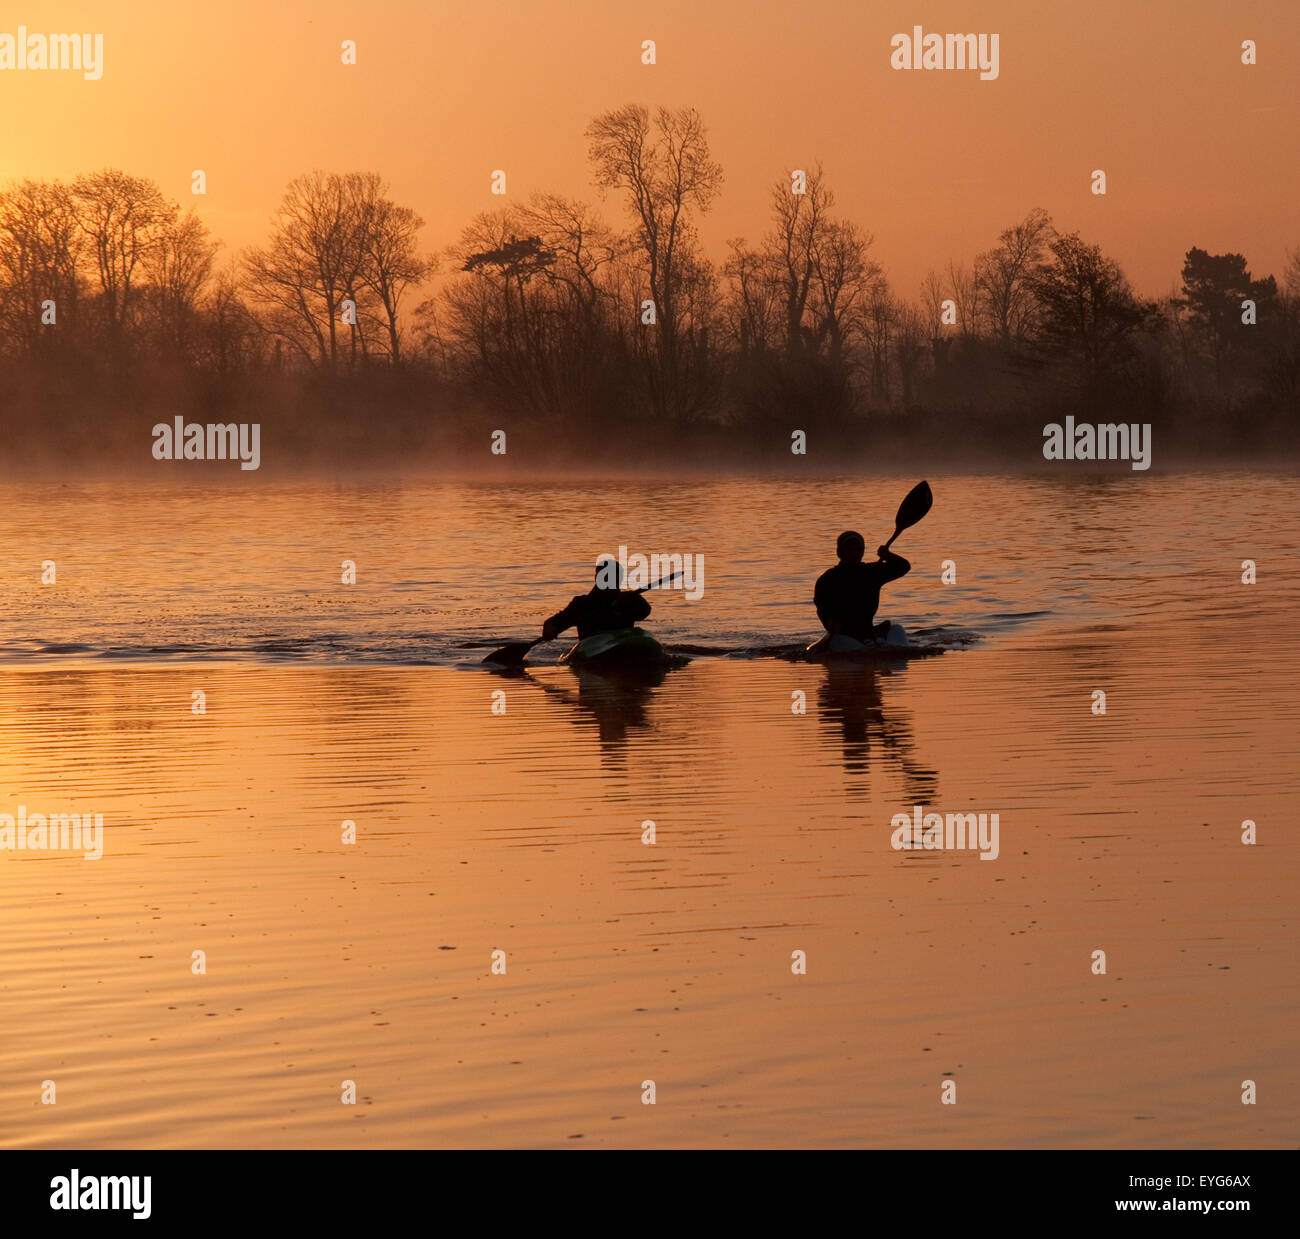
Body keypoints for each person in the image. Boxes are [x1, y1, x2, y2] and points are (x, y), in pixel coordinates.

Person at [814, 530, 910, 641]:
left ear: (863, 552)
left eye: (858, 550)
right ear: (839, 552)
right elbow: (821, 608)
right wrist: (829, 622)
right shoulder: (827, 579)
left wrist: (888, 556)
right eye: (850, 549)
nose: (854, 553)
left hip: (868, 631)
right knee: (841, 640)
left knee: (896, 629)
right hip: (842, 635)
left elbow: (903, 567)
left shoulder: (872, 572)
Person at [542, 557, 651, 640]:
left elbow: (645, 611)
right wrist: (550, 628)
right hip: (593, 644)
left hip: (624, 641)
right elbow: (555, 622)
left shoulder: (628, 599)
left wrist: (634, 598)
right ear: (597, 579)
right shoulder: (581, 604)